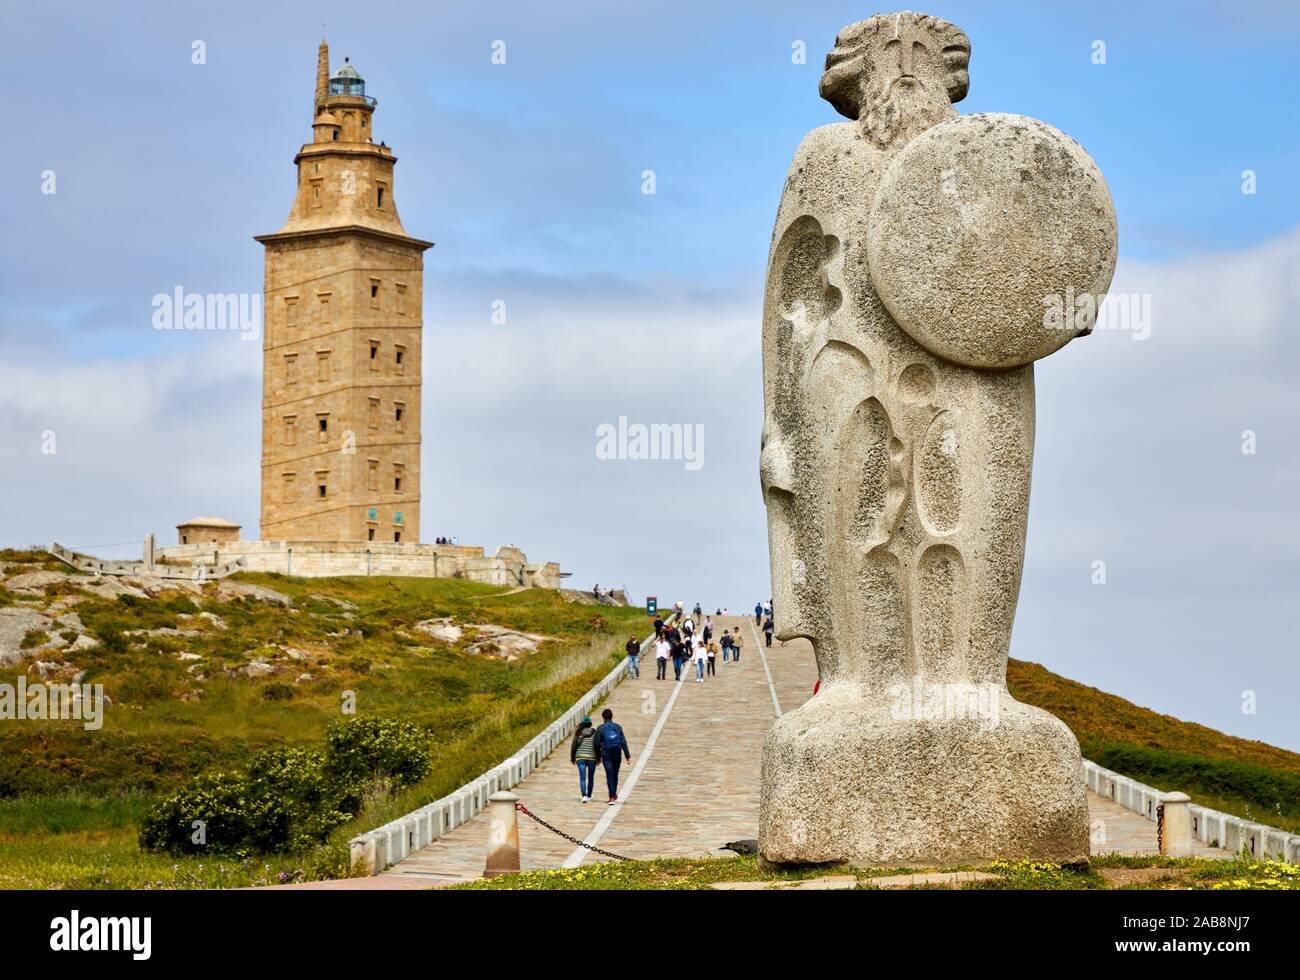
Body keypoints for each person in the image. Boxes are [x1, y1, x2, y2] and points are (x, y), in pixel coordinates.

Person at [595, 708, 631, 804]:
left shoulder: (600, 728)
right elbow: (623, 742)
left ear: (603, 717)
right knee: (615, 774)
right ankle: (613, 794)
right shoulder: (618, 727)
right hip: (617, 754)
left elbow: (596, 744)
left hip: (606, 754)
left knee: (609, 774)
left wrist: (598, 758)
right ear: (612, 716)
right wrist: (627, 756)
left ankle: (611, 796)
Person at [570, 716, 599, 802]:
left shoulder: (578, 733)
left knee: (582, 778)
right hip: (592, 757)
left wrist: (572, 758)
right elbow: (597, 746)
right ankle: (589, 795)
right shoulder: (595, 733)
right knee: (591, 777)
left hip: (580, 757)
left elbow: (573, 746)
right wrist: (598, 757)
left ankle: (583, 796)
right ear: (590, 724)